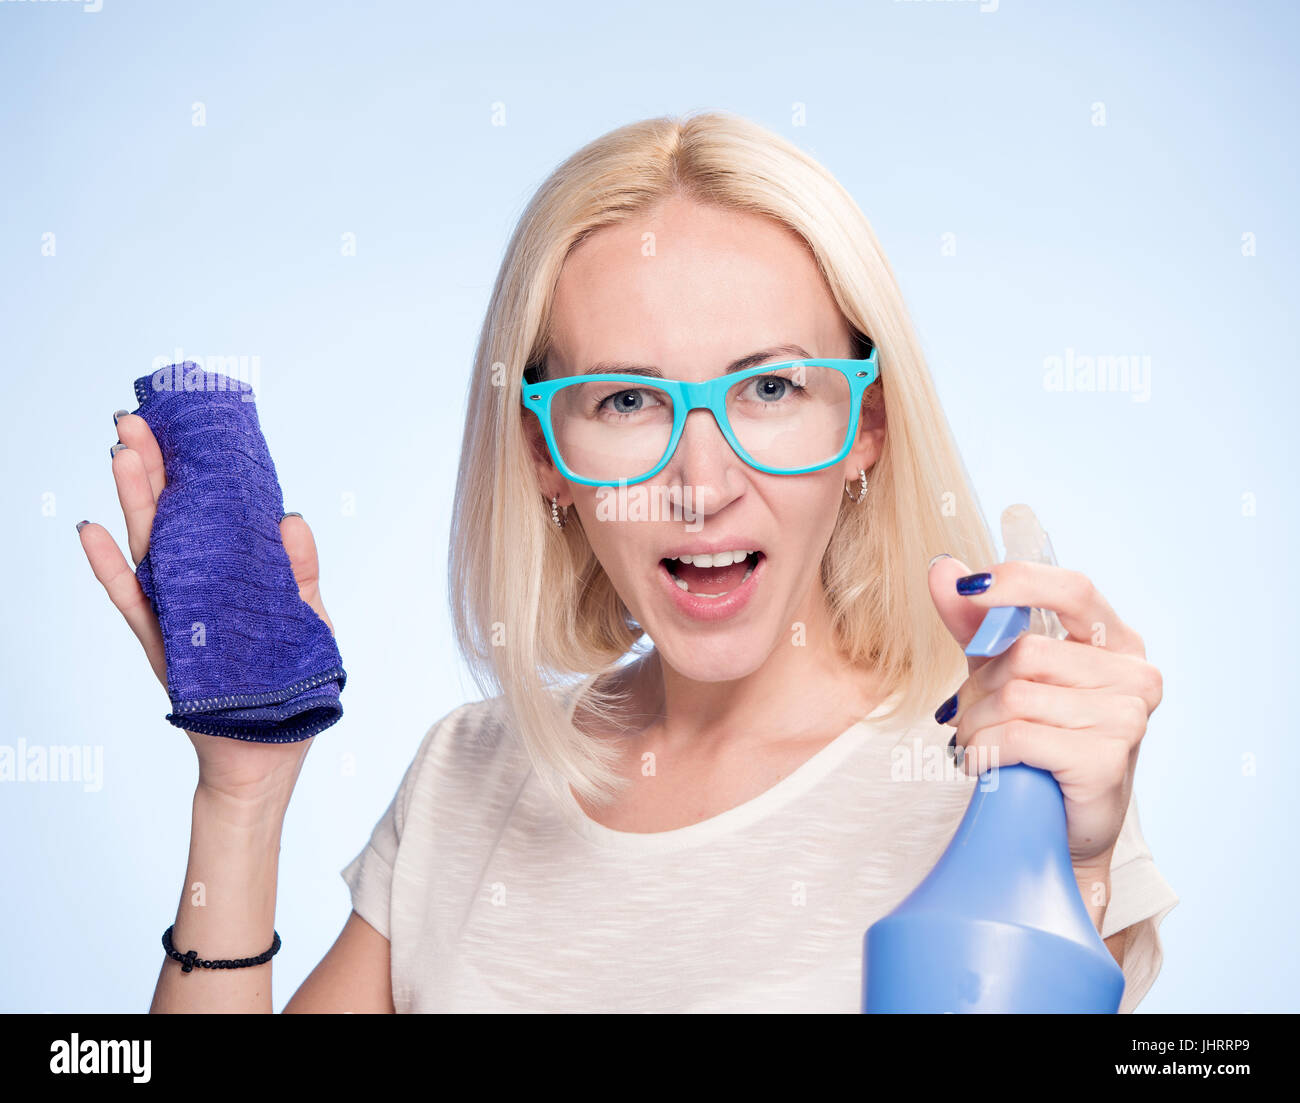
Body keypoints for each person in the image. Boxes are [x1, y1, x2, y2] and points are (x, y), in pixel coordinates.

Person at [80, 110, 1178, 1013]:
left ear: (867, 424)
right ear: (543, 454)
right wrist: (242, 793)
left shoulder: (1008, 776)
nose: (699, 481)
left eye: (770, 387)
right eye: (625, 399)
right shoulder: (473, 776)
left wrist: (1069, 865)